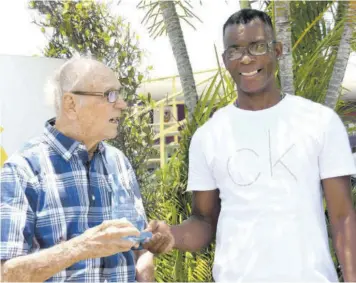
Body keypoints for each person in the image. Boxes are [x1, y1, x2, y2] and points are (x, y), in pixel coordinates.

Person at [142, 8, 356, 282]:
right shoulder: (208, 136)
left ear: (277, 50)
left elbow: (342, 218)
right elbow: (204, 222)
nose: (246, 58)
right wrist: (170, 235)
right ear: (225, 60)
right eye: (235, 50)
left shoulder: (320, 122)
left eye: (257, 46)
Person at [0, 58, 154, 282]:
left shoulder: (118, 162)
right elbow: (6, 274)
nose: (121, 104)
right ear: (71, 104)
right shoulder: (22, 171)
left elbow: (141, 246)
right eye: (110, 94)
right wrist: (83, 247)